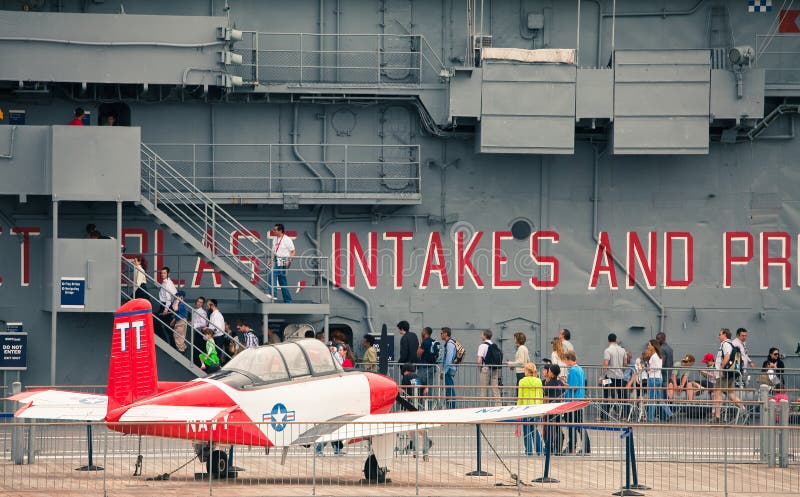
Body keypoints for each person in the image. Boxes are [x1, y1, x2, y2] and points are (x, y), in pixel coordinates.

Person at [712, 328, 745, 422]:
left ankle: (717, 417)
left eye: (720, 334)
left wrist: (721, 369)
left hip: (724, 374)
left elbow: (726, 357)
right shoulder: (731, 344)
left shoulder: (725, 344)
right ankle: (744, 410)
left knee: (717, 393)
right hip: (729, 373)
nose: (718, 336)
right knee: (730, 394)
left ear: (724, 335)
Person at [399, 363, 432, 457]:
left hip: (409, 404)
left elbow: (402, 390)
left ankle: (420, 443)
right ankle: (415, 445)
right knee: (413, 424)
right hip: (418, 404)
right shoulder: (419, 377)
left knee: (412, 424)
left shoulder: (406, 377)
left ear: (405, 371)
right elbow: (426, 388)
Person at [563, 351, 589, 453]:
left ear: (568, 359)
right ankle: (582, 447)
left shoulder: (573, 370)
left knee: (573, 426)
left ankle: (573, 447)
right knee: (578, 425)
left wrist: (564, 384)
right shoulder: (579, 369)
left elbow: (573, 387)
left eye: (565, 360)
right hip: (579, 399)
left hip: (572, 401)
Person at [517, 362, 544, 456]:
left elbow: (520, 397)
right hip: (536, 408)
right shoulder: (539, 381)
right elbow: (541, 395)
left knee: (526, 430)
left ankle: (529, 451)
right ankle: (539, 450)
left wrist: (518, 408)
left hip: (526, 408)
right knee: (534, 429)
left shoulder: (522, 381)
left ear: (527, 371)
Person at [645, 339, 673, 422]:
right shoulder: (659, 355)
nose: (648, 346)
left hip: (653, 378)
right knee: (659, 398)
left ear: (653, 346)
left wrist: (648, 369)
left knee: (652, 399)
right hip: (658, 378)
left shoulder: (654, 356)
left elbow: (657, 367)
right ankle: (669, 413)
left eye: (649, 345)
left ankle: (650, 418)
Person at [600, 333, 628, 416]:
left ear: (608, 340)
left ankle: (605, 415)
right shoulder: (622, 350)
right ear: (616, 340)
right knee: (621, 395)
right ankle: (624, 415)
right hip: (620, 376)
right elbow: (625, 363)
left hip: (609, 376)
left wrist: (601, 376)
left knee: (606, 394)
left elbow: (605, 364)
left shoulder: (608, 350)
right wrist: (622, 371)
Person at [269, 223, 296, 303]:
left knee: (272, 274)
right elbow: (274, 251)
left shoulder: (287, 239)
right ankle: (288, 301)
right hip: (278, 259)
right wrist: (271, 260)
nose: (273, 231)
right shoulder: (275, 239)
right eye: (273, 230)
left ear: (280, 230)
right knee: (282, 281)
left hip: (284, 259)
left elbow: (293, 251)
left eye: (275, 230)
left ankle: (273, 294)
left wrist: (289, 260)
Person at [542, 364, 565, 454]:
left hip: (550, 409)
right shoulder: (560, 383)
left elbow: (546, 398)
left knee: (548, 429)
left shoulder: (549, 384)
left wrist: (543, 408)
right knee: (558, 428)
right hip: (559, 408)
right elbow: (563, 392)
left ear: (551, 373)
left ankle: (549, 448)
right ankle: (558, 449)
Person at [477, 329, 501, 404]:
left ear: (484, 336)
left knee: (483, 390)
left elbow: (479, 360)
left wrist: (480, 368)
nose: (481, 336)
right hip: (494, 368)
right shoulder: (494, 345)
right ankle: (498, 405)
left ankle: (484, 408)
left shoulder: (482, 346)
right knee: (495, 389)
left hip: (485, 369)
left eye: (482, 334)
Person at [156, 267, 177, 346]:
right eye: (161, 273)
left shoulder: (168, 284)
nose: (162, 274)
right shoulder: (165, 282)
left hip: (166, 306)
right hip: (165, 305)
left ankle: (169, 343)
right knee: (168, 327)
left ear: (168, 274)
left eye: (164, 273)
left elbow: (169, 298)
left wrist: (166, 309)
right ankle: (170, 344)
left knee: (168, 327)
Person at [204, 299, 227, 364]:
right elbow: (214, 327)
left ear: (212, 305)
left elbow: (217, 329)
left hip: (217, 339)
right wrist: (208, 328)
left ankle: (216, 368)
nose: (207, 307)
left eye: (208, 305)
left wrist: (208, 330)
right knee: (213, 355)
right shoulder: (213, 314)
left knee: (215, 356)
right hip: (216, 338)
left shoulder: (216, 315)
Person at [440, 327, 458, 409]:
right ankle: (450, 406)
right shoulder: (451, 343)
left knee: (449, 389)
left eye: (441, 333)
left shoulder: (450, 344)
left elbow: (448, 359)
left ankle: (452, 407)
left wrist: (444, 371)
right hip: (450, 369)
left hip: (448, 370)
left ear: (446, 334)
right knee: (449, 388)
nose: (440, 335)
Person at [190, 296, 208, 365]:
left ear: (202, 304)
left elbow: (203, 323)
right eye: (198, 301)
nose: (199, 303)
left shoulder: (202, 312)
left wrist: (194, 324)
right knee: (196, 348)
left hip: (200, 332)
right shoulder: (195, 310)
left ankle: (199, 365)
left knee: (199, 349)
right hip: (197, 332)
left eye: (201, 302)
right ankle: (197, 363)